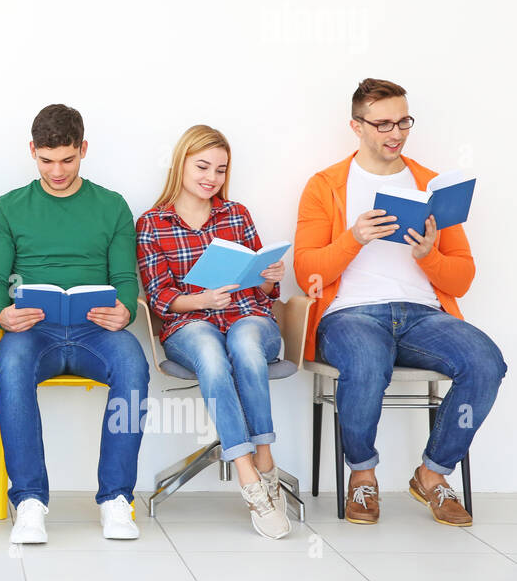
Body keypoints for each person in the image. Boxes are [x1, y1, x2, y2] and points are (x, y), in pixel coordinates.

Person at [295, 78, 505, 526]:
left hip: (422, 316)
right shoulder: (325, 186)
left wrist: (429, 258)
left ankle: (431, 474)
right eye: (383, 123)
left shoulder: (430, 184)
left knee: (486, 361)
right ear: (356, 125)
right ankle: (363, 477)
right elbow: (307, 273)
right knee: (368, 361)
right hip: (350, 315)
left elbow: (463, 277)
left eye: (403, 121)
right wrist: (353, 238)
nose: (396, 133)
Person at [0, 104, 150, 544]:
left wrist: (126, 310)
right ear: (32, 152)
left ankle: (116, 500)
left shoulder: (112, 207)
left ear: (83, 150)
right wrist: (2, 313)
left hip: (96, 328)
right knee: (12, 367)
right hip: (33, 331)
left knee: (134, 366)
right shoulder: (9, 208)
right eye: (46, 160)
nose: (57, 171)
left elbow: (125, 280)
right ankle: (30, 502)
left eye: (68, 159)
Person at [136, 125, 290, 539]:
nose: (211, 177)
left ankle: (265, 456)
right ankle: (249, 476)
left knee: (241, 340)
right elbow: (158, 296)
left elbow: (263, 287)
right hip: (190, 324)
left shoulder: (235, 214)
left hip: (249, 318)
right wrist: (203, 302)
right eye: (202, 166)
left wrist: (269, 276)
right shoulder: (152, 222)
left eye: (220, 170)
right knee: (210, 351)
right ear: (181, 164)